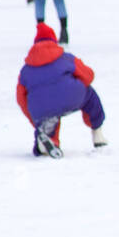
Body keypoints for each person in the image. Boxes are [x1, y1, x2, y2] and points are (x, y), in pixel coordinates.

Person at [17, 21, 107, 157]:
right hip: (70, 97)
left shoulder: (25, 70)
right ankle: (97, 133)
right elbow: (88, 76)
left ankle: (46, 141)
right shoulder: (66, 58)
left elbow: (21, 98)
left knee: (48, 117)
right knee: (89, 95)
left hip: (41, 106)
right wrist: (75, 85)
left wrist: (35, 120)